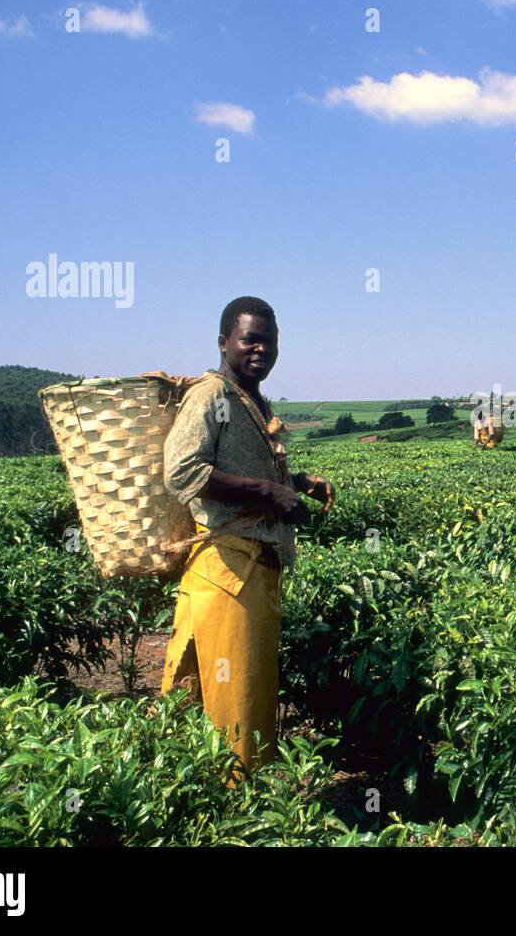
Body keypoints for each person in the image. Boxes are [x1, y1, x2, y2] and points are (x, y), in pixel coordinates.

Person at [161, 296, 334, 781]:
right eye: (249, 339)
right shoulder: (211, 396)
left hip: (253, 569)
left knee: (251, 686)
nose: (261, 349)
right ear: (223, 343)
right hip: (226, 571)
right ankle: (232, 801)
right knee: (232, 691)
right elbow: (182, 471)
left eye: (269, 341)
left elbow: (245, 467)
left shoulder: (249, 398)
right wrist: (268, 493)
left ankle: (239, 793)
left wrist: (296, 481)